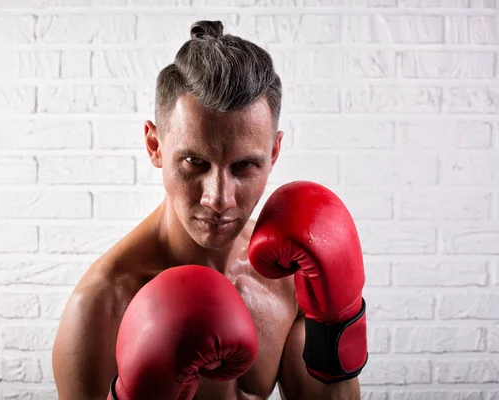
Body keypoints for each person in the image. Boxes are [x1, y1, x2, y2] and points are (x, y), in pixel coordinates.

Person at [52, 20, 366, 400]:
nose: (218, 199)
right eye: (195, 162)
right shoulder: (102, 306)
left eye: (244, 166)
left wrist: (339, 322)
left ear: (274, 154)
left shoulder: (288, 276)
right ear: (154, 145)